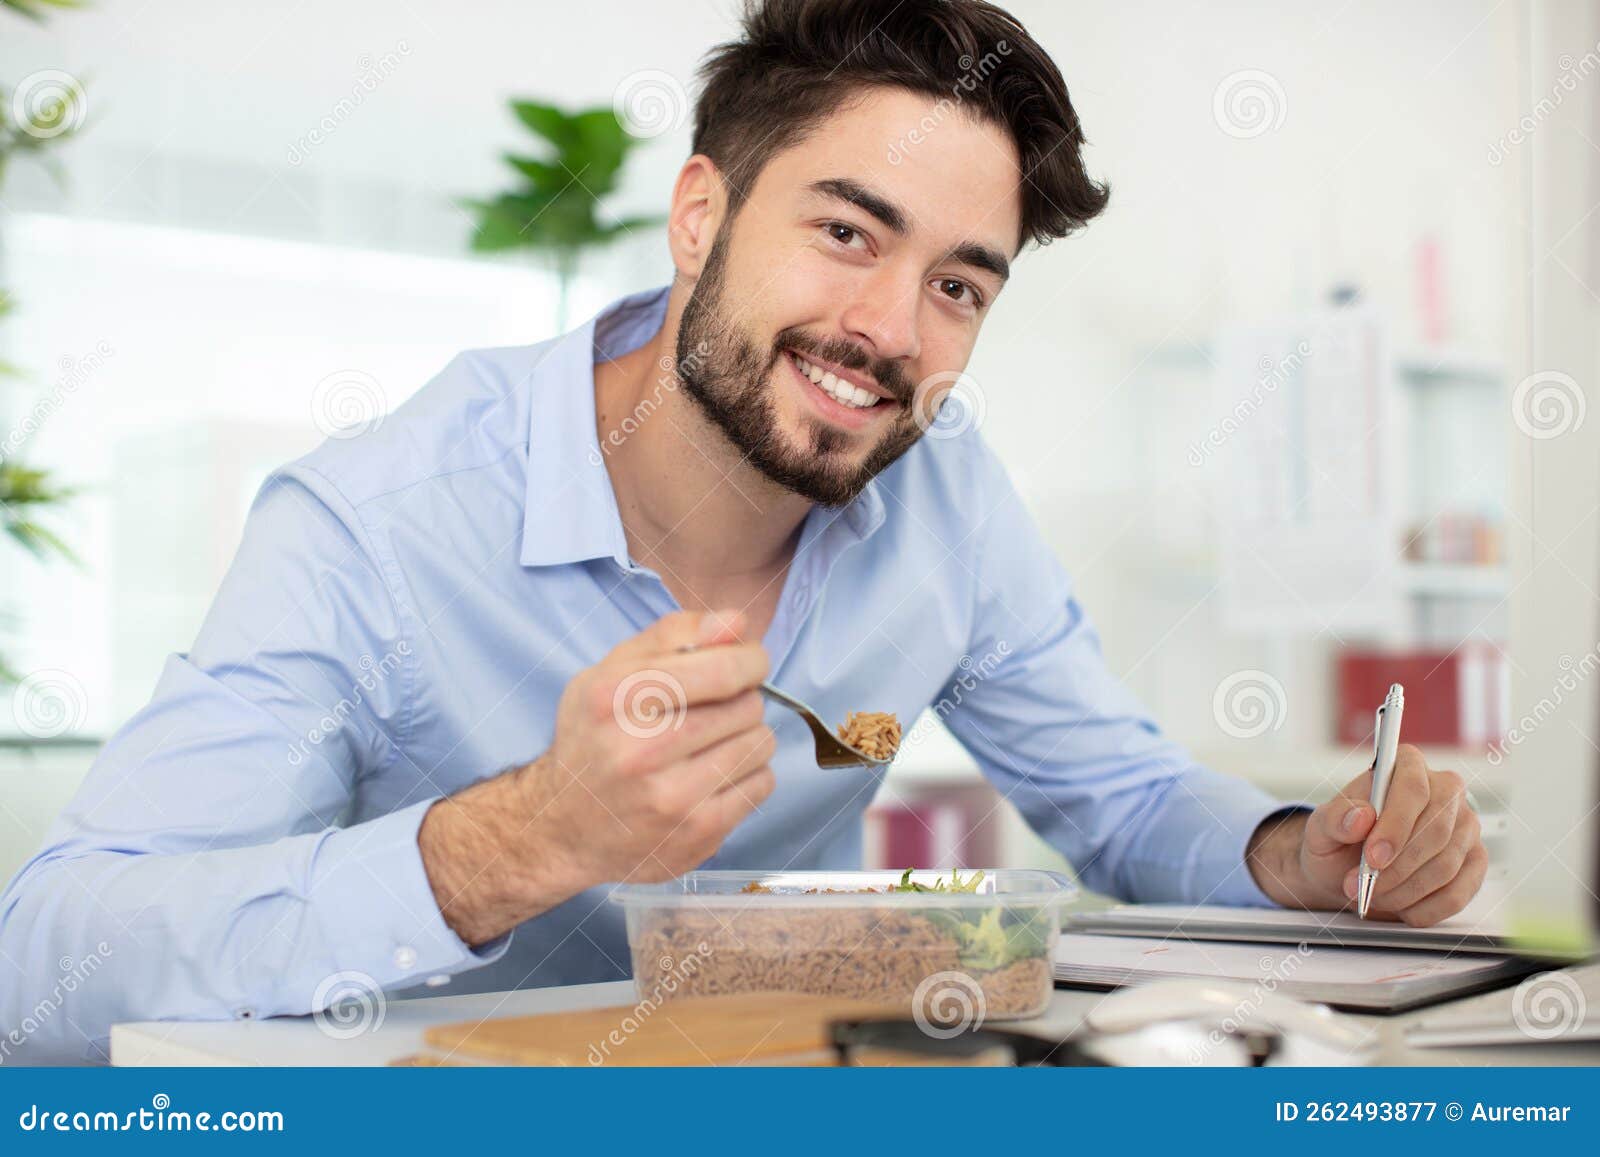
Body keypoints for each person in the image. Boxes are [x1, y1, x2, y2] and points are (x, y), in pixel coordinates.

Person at [0, 0, 1485, 1064]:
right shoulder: (377, 530)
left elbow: (1126, 797)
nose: (891, 330)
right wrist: (518, 841)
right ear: (701, 214)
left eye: (960, 284)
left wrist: (1304, 853)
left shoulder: (947, 502)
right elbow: (46, 962)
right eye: (847, 233)